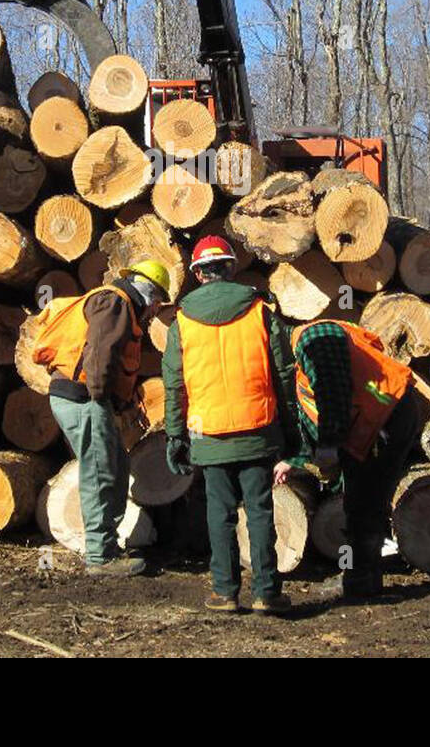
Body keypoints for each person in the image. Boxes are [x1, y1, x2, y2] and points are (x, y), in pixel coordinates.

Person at [162, 235, 298, 614]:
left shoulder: (182, 321)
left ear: (198, 273)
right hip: (257, 429)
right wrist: (289, 429)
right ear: (230, 267)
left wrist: (175, 435)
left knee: (218, 513)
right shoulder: (259, 310)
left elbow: (174, 383)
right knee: (259, 511)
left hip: (209, 433)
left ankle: (224, 592)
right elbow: (283, 373)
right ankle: (267, 593)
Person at [35, 259, 170, 577]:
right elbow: (101, 352)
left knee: (114, 467)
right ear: (148, 292)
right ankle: (100, 557)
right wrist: (100, 399)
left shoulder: (117, 303)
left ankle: (105, 546)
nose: (155, 311)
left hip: (83, 398)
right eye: (157, 302)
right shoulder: (115, 302)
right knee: (100, 473)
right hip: (83, 398)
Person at [276, 318, 422, 601]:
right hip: (372, 423)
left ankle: (359, 578)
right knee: (360, 499)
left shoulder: (314, 336)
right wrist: (295, 460)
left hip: (385, 417)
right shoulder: (297, 364)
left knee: (364, 500)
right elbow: (310, 416)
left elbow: (333, 394)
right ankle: (361, 575)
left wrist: (330, 445)